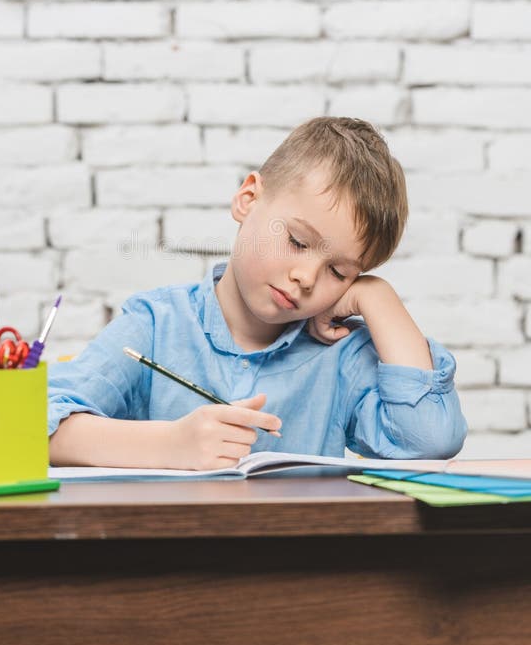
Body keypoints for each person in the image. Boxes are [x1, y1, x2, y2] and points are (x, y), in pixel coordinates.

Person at [48, 117, 467, 469]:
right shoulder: (157, 325)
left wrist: (377, 297)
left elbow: (430, 439)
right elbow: (33, 425)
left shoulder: (339, 356)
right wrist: (169, 445)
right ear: (248, 199)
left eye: (338, 272)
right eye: (298, 242)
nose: (306, 277)